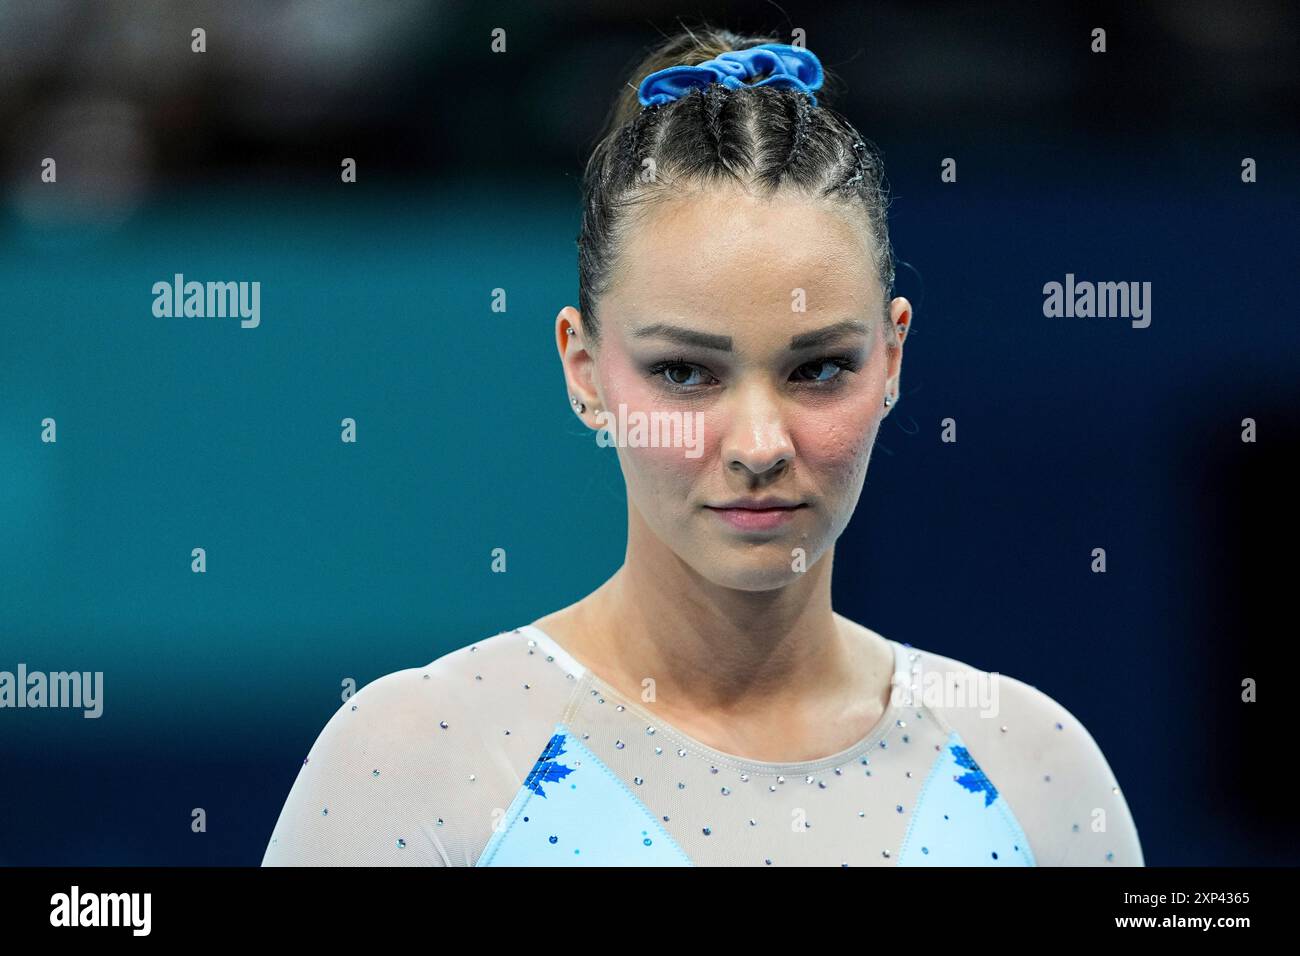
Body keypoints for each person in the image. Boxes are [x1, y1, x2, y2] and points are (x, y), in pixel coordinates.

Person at [262, 26, 1143, 867]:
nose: (759, 445)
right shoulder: (418, 762)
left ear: (893, 357)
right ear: (584, 370)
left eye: (820, 368)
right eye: (685, 373)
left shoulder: (1038, 772)